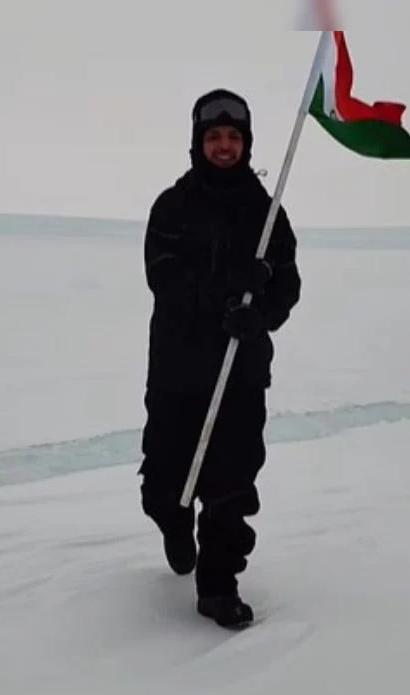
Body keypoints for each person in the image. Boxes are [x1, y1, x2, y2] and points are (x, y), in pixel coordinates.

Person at [138, 88, 302, 629]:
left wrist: (261, 316)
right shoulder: (172, 206)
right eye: (214, 137)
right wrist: (227, 295)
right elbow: (163, 276)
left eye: (234, 137)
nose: (225, 146)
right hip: (178, 371)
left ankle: (218, 585)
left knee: (232, 483)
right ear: (198, 142)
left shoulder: (267, 213)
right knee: (164, 484)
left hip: (241, 373)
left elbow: (288, 285)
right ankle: (173, 522)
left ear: (246, 143)